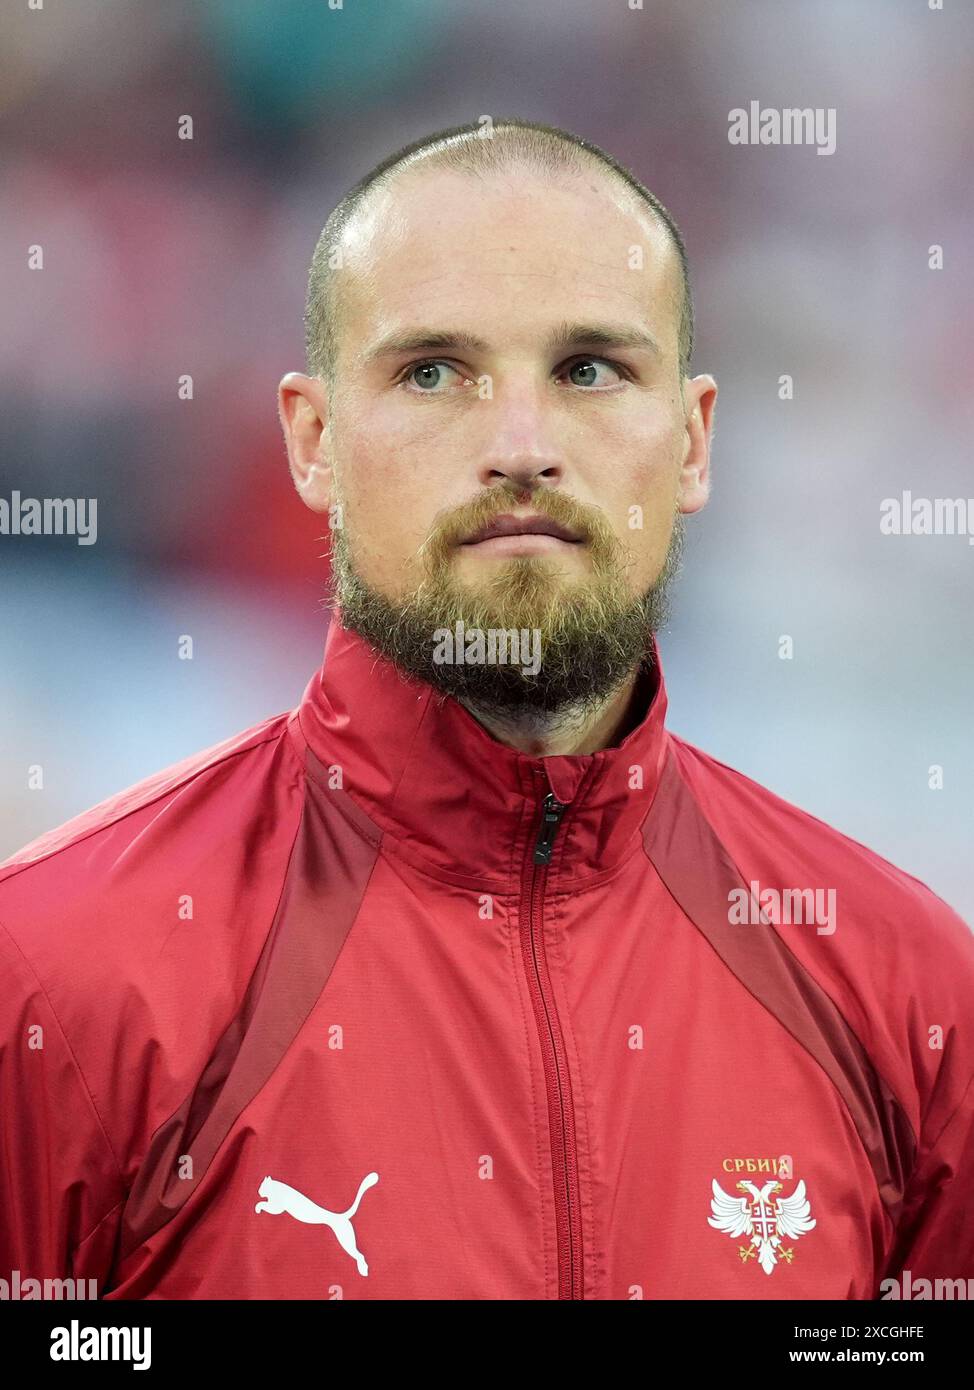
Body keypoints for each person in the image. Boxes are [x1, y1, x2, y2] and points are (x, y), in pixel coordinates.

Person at [1, 118, 971, 1301]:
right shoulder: (54, 976)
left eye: (588, 371)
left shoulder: (905, 986)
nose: (520, 448)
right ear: (311, 443)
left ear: (692, 441)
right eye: (431, 373)